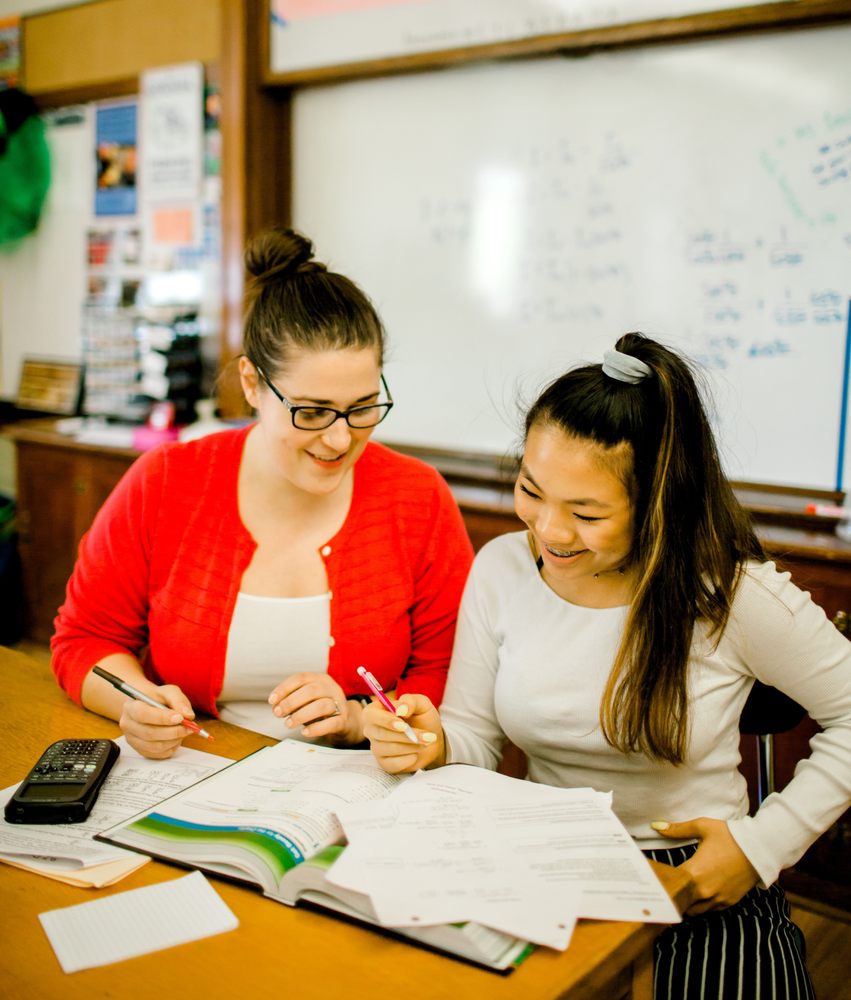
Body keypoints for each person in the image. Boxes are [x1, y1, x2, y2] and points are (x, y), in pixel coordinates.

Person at [365, 332, 851, 999]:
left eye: (586, 513)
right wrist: (434, 741)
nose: (549, 532)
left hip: (697, 871)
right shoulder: (502, 568)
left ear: (658, 503)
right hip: (540, 860)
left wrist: (760, 847)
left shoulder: (729, 594)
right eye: (531, 492)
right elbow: (475, 738)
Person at [52, 227, 473, 759]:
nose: (341, 438)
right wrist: (136, 702)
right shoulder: (166, 481)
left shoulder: (417, 497)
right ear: (252, 384)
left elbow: (447, 672)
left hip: (363, 790)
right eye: (312, 412)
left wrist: (360, 719)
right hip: (196, 773)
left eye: (364, 406)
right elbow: (85, 640)